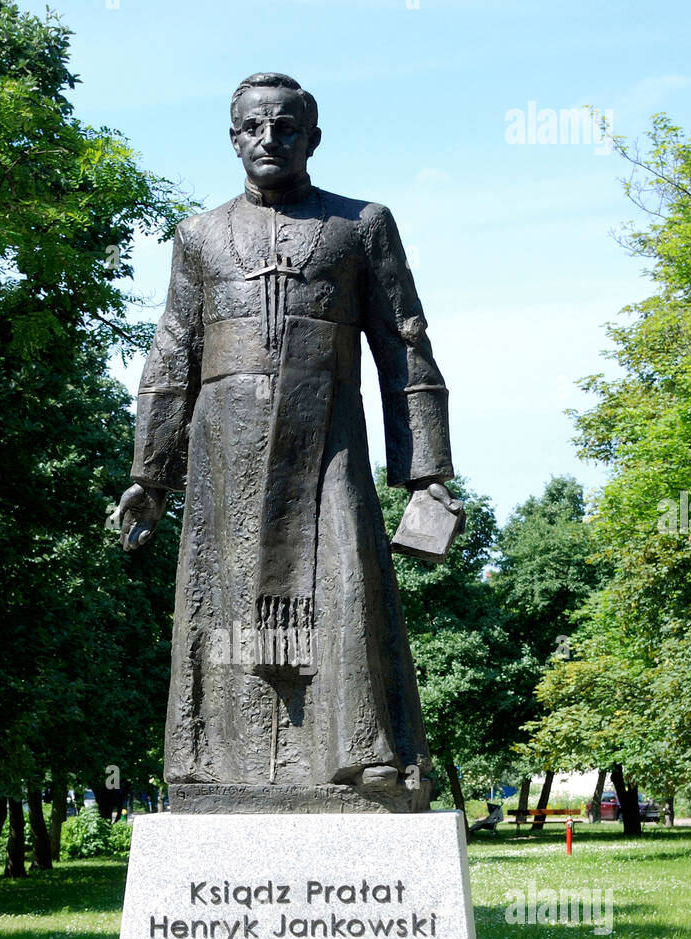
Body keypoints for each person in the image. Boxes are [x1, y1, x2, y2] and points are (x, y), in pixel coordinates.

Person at [115, 73, 461, 811]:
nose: (268, 140)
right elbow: (172, 351)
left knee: (343, 584)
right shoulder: (198, 235)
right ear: (233, 136)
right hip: (223, 452)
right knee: (226, 596)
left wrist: (425, 472)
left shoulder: (359, 225)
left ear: (312, 137)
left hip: (327, 441)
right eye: (252, 127)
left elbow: (405, 346)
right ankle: (214, 764)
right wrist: (150, 472)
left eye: (286, 128)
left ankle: (363, 758)